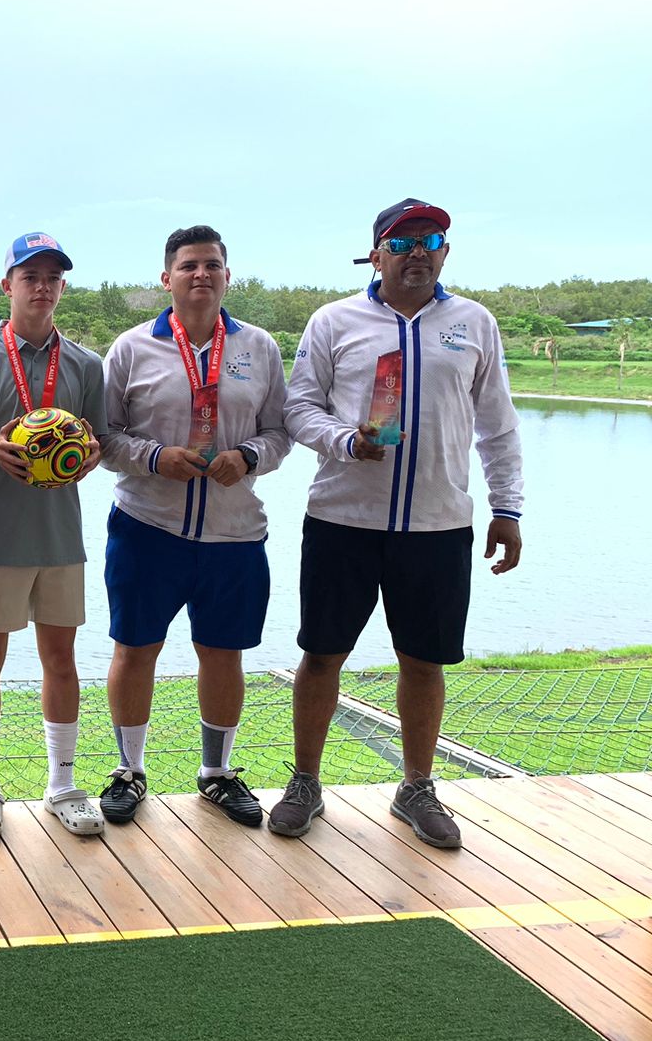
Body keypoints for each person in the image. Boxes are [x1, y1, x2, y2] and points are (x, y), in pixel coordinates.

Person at [273, 198, 523, 848]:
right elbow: (298, 410)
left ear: (446, 251)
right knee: (322, 654)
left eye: (431, 238)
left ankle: (415, 788)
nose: (418, 250)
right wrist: (344, 441)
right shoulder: (335, 321)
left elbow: (498, 425)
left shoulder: (474, 323)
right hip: (342, 519)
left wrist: (508, 507)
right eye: (403, 240)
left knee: (423, 660)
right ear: (376, 253)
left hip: (439, 525)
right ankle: (305, 781)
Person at [97, 226, 291, 828]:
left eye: (212, 265)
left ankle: (216, 773)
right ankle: (129, 770)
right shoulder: (130, 348)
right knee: (135, 651)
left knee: (224, 653)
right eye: (189, 266)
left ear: (228, 276)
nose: (201, 275)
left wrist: (250, 457)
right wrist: (155, 457)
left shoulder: (259, 348)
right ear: (167, 278)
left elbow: (282, 430)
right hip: (146, 525)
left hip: (235, 533)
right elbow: (102, 438)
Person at [0, 233, 109, 838]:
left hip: (59, 536)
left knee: (61, 660)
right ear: (7, 285)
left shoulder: (86, 365)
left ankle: (62, 785)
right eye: (30, 276)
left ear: (62, 288)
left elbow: (97, 443)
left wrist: (87, 455)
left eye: (52, 278)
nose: (41, 287)